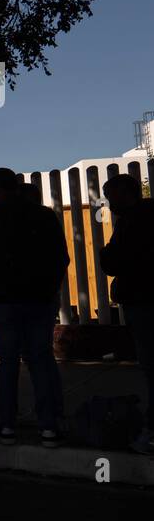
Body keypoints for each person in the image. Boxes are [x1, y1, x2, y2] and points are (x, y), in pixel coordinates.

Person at [0, 167, 70, 447]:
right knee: (40, 360)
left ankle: (7, 425)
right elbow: (60, 258)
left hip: (5, 301)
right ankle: (48, 426)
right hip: (39, 301)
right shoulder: (44, 216)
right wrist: (49, 290)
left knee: (8, 363)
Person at [100, 173, 154, 453]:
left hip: (142, 301)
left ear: (125, 194)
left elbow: (113, 260)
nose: (109, 204)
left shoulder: (131, 222)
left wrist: (106, 254)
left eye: (112, 197)